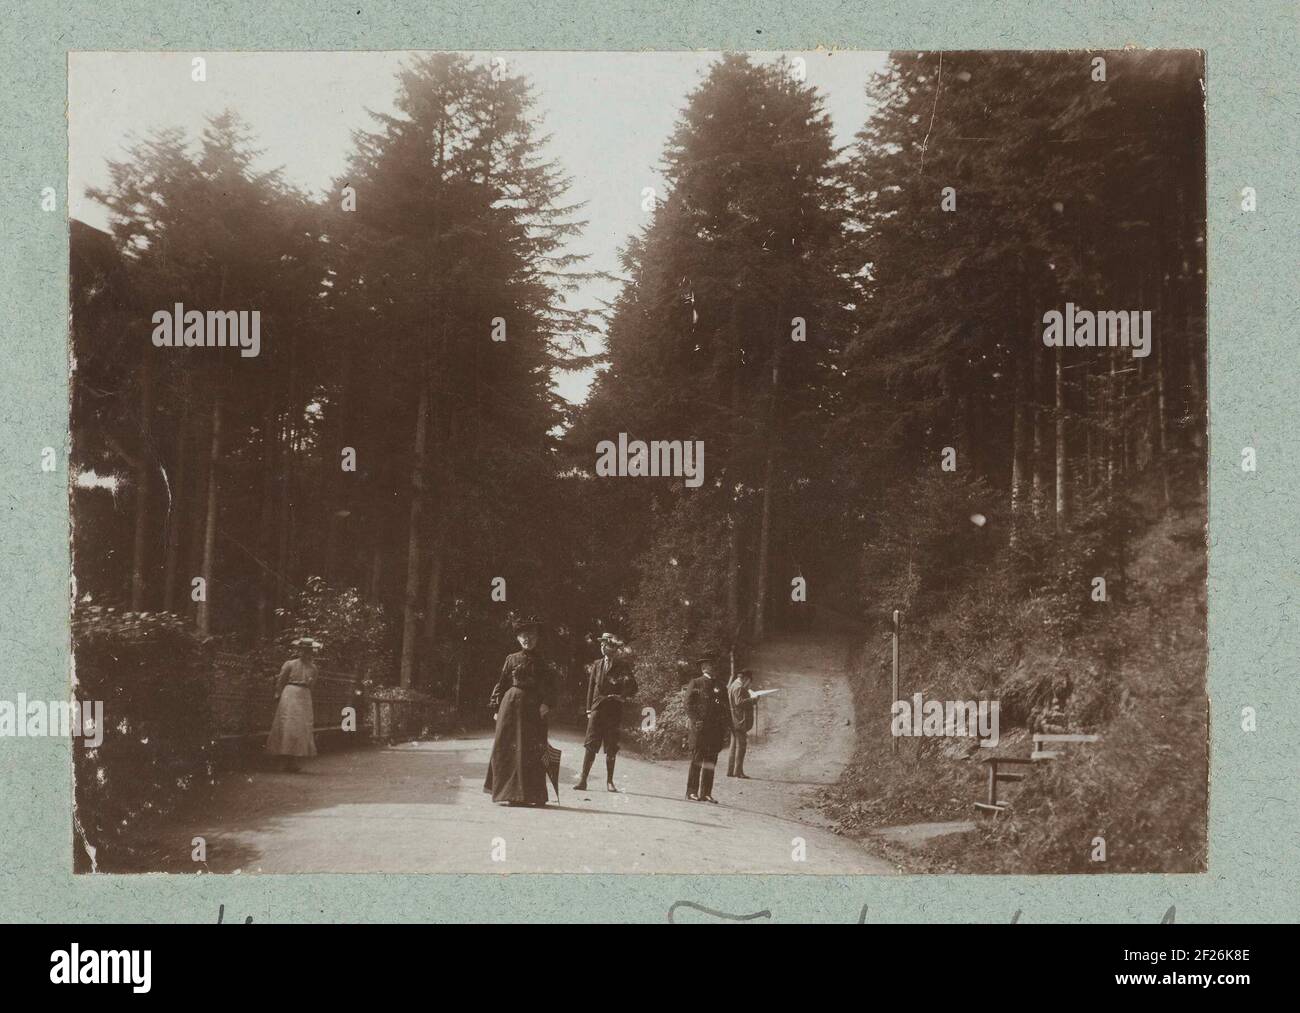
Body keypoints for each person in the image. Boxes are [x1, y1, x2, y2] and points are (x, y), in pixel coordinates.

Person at [483, 616, 555, 807]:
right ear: (518, 638)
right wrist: (496, 707)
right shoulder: (511, 659)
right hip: (511, 707)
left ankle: (533, 795)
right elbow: (501, 683)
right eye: (523, 636)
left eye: (531, 636)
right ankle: (511, 794)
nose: (527, 640)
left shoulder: (543, 662)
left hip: (534, 709)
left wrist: (546, 703)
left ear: (537, 638)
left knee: (532, 749)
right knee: (508, 748)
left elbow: (551, 686)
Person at [574, 633, 639, 792]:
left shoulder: (622, 666)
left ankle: (609, 781)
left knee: (611, 746)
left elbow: (633, 687)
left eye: (607, 644)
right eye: (601, 644)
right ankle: (583, 780)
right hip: (597, 709)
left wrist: (622, 696)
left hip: (613, 711)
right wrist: (589, 709)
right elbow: (591, 687)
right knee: (590, 744)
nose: (603, 647)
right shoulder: (597, 664)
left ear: (615, 648)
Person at [266, 637, 320, 772]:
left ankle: (293, 762)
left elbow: (312, 685)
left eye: (308, 651)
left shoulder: (313, 668)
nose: (305, 653)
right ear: (298, 651)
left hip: (304, 696)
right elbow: (281, 680)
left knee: (301, 727)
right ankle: (283, 761)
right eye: (302, 650)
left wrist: (306, 694)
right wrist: (278, 694)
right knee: (288, 725)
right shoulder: (290, 664)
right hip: (290, 694)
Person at [685, 654, 728, 803]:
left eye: (713, 664)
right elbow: (688, 705)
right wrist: (696, 721)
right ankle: (691, 792)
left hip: (715, 730)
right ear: (703, 667)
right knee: (697, 760)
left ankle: (706, 793)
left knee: (711, 761)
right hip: (700, 729)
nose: (713, 666)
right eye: (710, 664)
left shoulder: (721, 686)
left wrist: (726, 727)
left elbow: (725, 708)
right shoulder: (696, 683)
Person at [727, 668, 756, 778]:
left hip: (733, 719)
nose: (748, 684)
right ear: (746, 679)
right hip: (739, 721)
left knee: (733, 746)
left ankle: (731, 771)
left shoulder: (733, 685)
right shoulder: (739, 687)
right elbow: (739, 702)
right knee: (741, 746)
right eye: (749, 681)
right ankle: (738, 772)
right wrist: (753, 699)